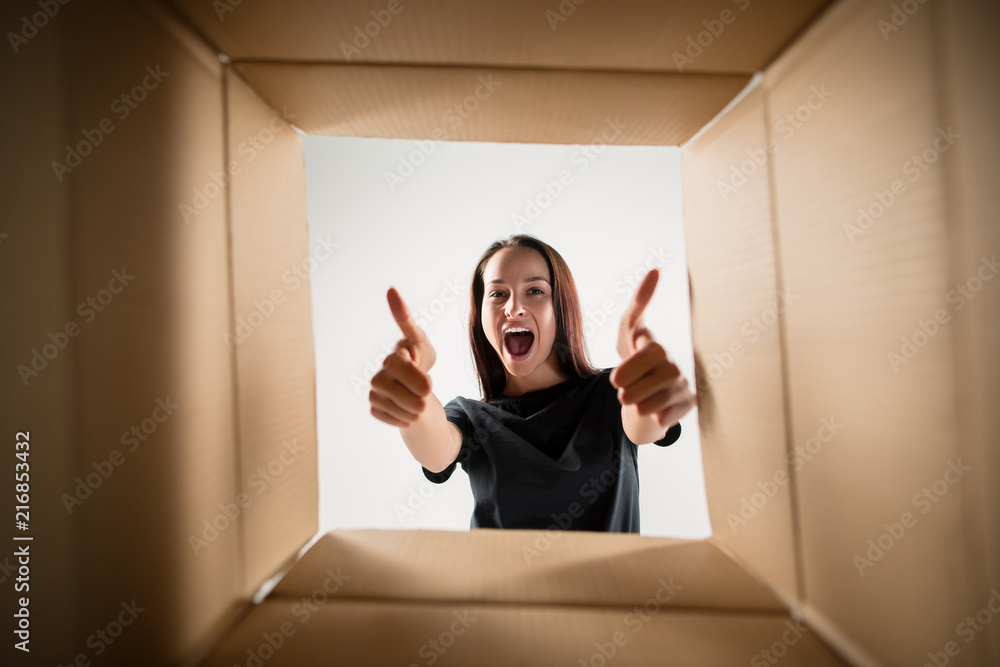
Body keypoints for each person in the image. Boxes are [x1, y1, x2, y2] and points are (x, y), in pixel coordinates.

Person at [368, 234, 696, 532]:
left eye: (535, 291)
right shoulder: (469, 418)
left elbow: (643, 424)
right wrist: (415, 395)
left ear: (561, 308)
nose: (514, 309)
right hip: (499, 597)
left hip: (607, 595)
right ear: (480, 315)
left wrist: (648, 388)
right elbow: (437, 452)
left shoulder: (613, 391)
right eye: (497, 294)